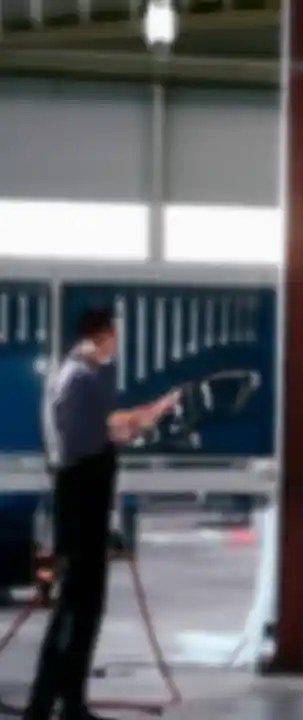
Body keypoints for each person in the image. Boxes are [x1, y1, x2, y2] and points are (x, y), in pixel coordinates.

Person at [24, 308, 179, 720]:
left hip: (84, 506)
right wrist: (154, 412)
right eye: (114, 336)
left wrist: (146, 415)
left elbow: (111, 429)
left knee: (81, 609)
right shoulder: (81, 378)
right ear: (103, 334)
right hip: (81, 507)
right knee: (76, 609)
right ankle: (45, 705)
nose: (116, 345)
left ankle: (66, 703)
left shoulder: (77, 375)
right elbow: (109, 430)